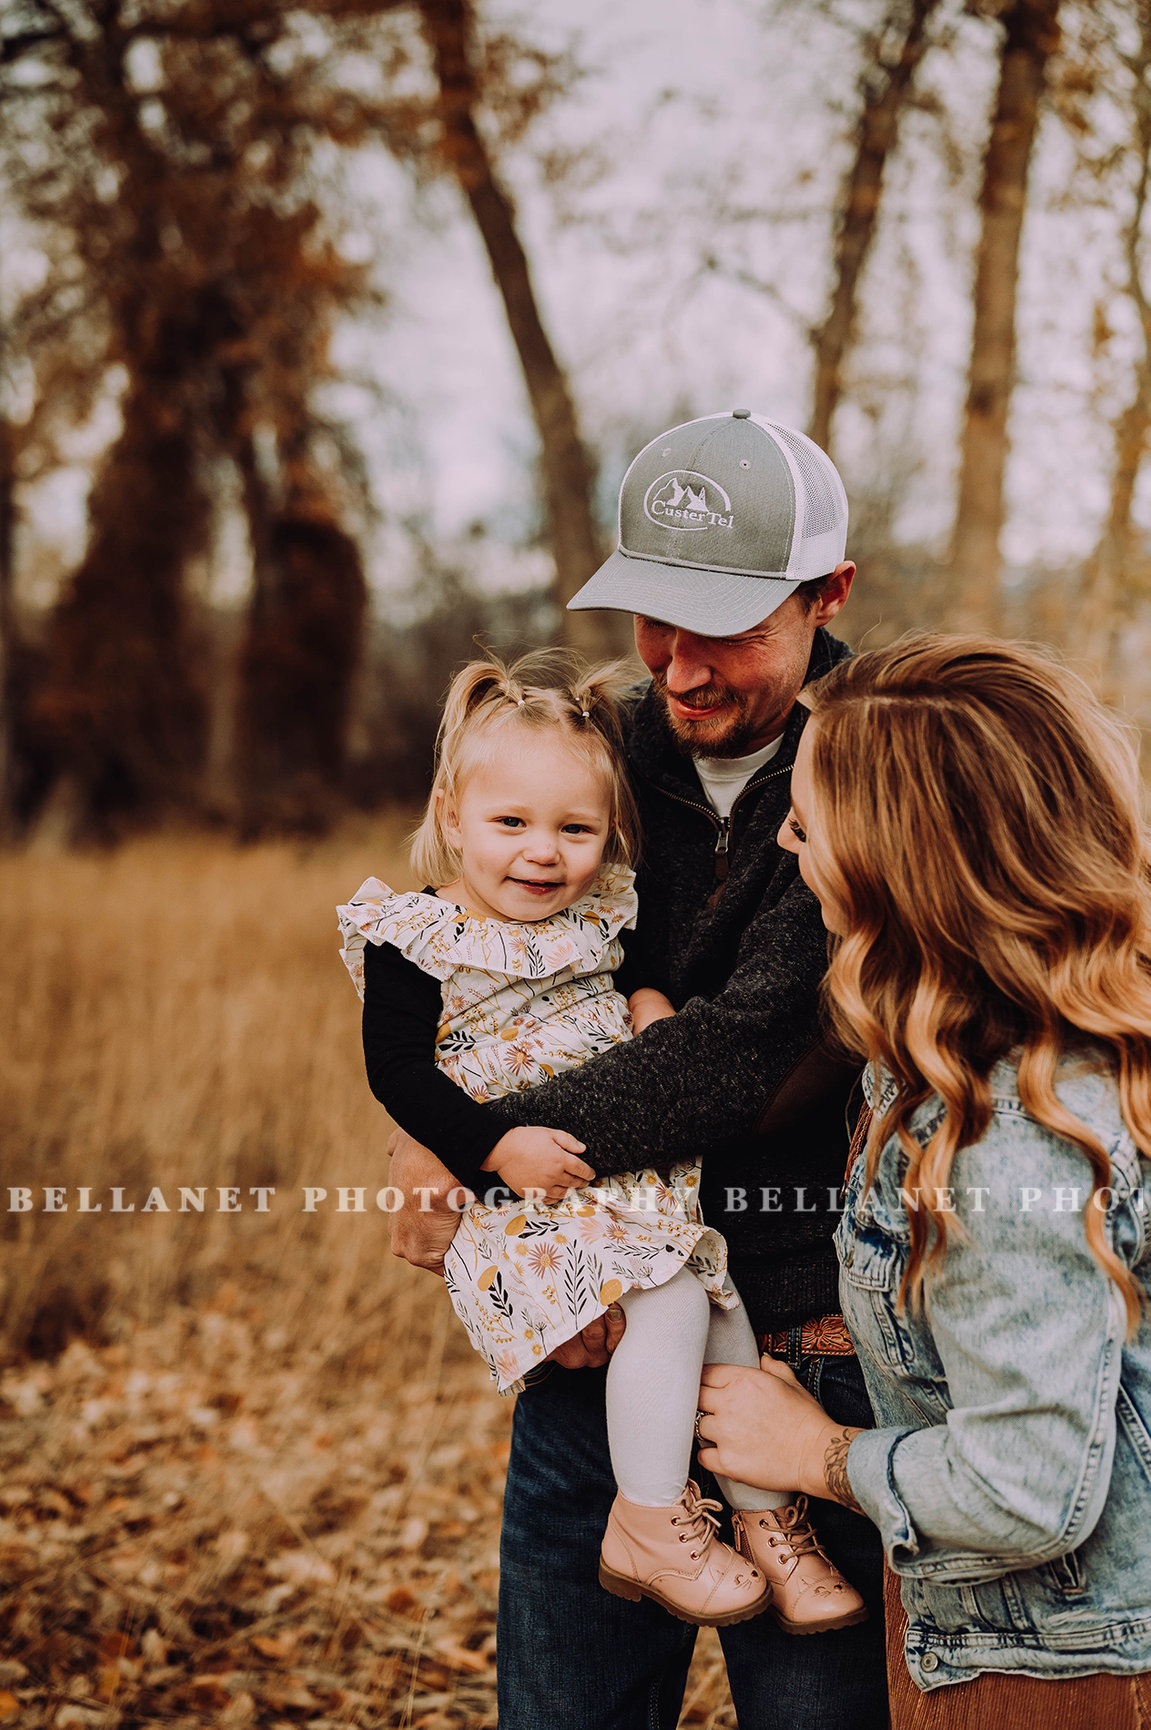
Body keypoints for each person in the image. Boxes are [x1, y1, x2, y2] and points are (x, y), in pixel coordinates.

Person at [386, 411, 889, 1728]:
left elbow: (741, 1055)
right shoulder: (588, 742)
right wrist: (423, 1114)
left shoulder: (876, 766)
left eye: (726, 625)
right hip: (590, 1336)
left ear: (827, 593)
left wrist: (468, 1139)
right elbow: (467, 956)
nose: (680, 662)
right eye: (654, 617)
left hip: (803, 1354)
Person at [340, 650, 865, 1632]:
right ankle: (649, 1519)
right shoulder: (412, 936)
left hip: (616, 1187)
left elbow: (637, 990)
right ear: (450, 815)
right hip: (522, 1190)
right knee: (671, 1295)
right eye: (510, 824)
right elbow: (398, 1073)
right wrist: (486, 1149)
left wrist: (648, 1004)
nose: (542, 853)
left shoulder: (596, 914)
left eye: (573, 830)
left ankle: (763, 1519)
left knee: (712, 1294)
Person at [695, 634, 1151, 1727]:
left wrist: (813, 1452)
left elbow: (1024, 1487)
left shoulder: (1008, 1134)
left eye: (807, 824)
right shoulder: (998, 1056)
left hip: (1062, 1674)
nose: (788, 845)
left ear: (900, 865)